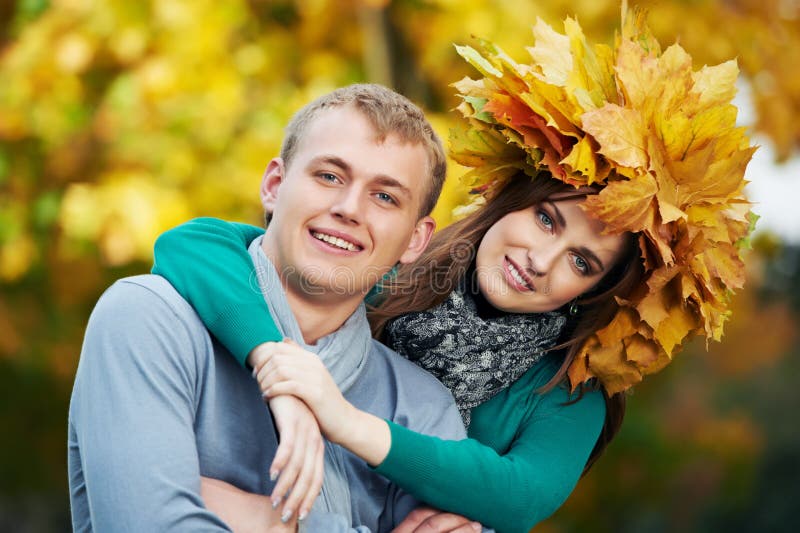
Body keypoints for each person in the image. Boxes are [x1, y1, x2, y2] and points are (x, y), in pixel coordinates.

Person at [150, 9, 754, 533]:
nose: (540, 261)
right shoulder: (383, 273)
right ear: (508, 202)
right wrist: (270, 356)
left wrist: (348, 423)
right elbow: (194, 244)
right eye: (546, 219)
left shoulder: (566, 392)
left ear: (596, 289)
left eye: (581, 261)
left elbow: (517, 497)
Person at [67, 83, 478, 532]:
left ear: (416, 239)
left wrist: (274, 522)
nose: (348, 208)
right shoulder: (149, 319)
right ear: (274, 185)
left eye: (385, 197)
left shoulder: (421, 408)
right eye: (329, 176)